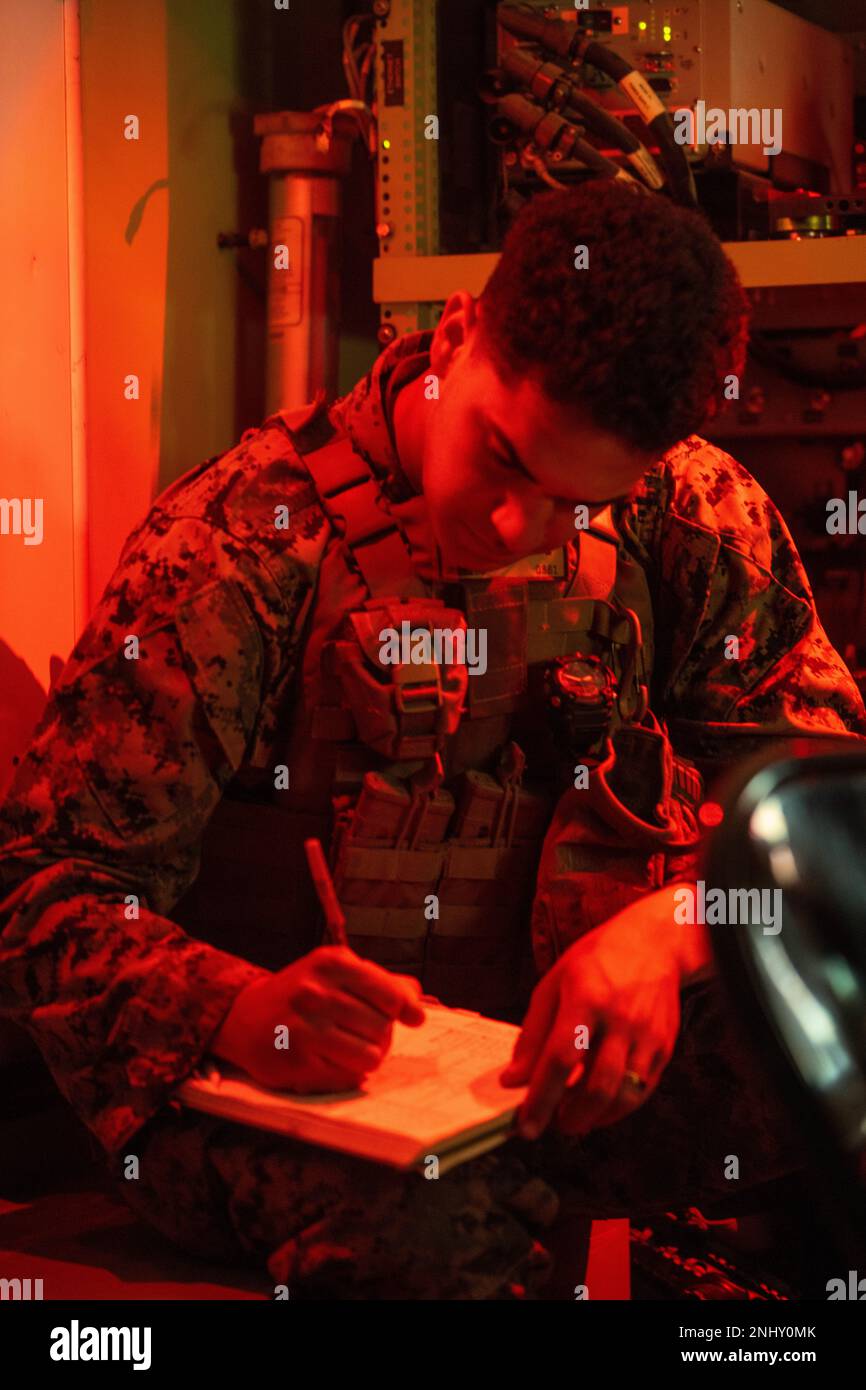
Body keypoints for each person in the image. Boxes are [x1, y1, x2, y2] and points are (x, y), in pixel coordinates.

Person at [1, 182, 863, 1300]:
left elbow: (825, 807)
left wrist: (675, 927)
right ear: (453, 335)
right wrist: (235, 1008)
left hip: (559, 1071)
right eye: (502, 458)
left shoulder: (688, 512)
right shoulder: (236, 548)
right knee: (435, 1223)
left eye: (571, 506)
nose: (512, 528)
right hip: (276, 1093)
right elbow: (46, 887)